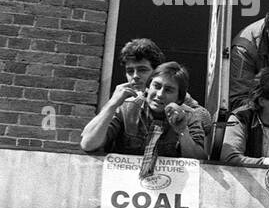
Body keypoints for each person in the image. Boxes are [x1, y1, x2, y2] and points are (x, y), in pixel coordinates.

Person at [87, 38, 214, 149]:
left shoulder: (179, 100)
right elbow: (87, 142)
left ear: (157, 72)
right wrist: (111, 104)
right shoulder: (122, 103)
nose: (135, 76)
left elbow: (205, 119)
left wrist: (183, 119)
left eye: (142, 70)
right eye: (130, 71)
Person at [80, 62, 208, 167]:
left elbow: (200, 162)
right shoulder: (126, 108)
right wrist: (112, 104)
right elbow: (88, 144)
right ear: (147, 88)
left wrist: (182, 131)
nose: (160, 94)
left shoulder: (189, 116)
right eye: (156, 86)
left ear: (179, 99)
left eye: (168, 90)